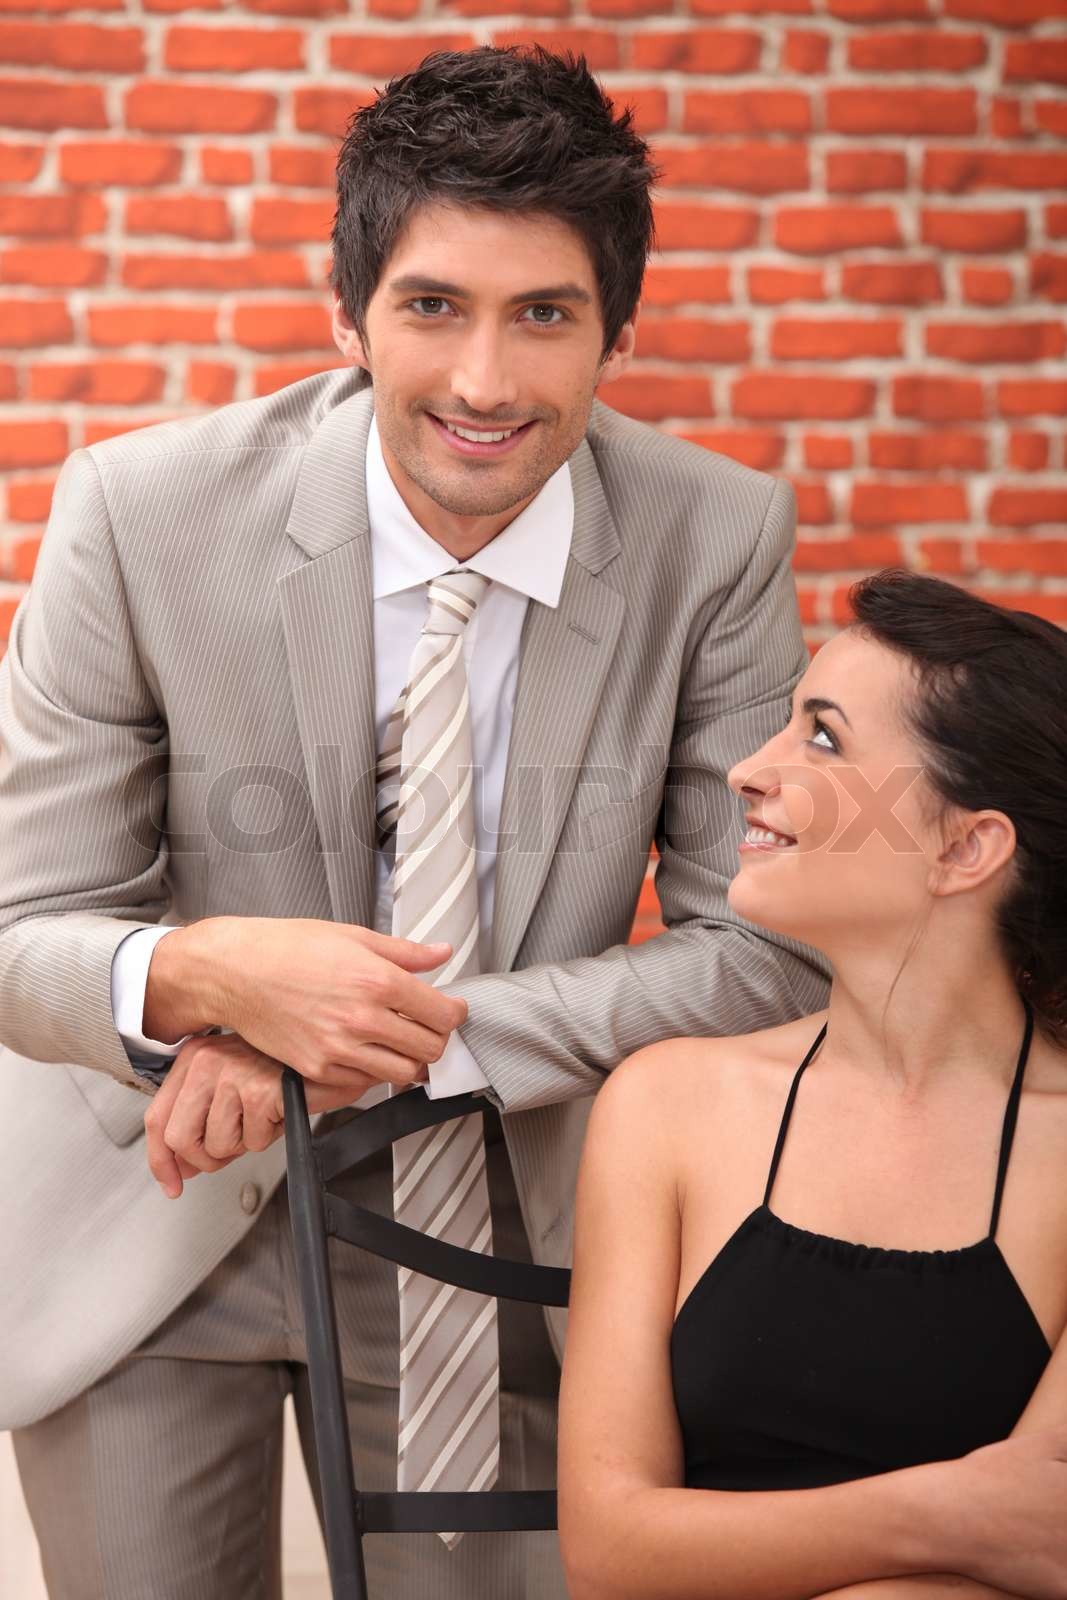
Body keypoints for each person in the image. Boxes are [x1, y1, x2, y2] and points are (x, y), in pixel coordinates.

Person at [0, 45, 834, 1600]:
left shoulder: (713, 539)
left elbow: (765, 952)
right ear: (347, 312)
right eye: (432, 307)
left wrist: (369, 1032)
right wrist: (206, 985)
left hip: (485, 1219)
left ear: (615, 332)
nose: (484, 384)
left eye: (544, 316)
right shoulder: (138, 512)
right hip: (154, 1208)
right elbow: (22, 926)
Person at [558, 568, 1067, 1600]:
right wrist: (943, 1511)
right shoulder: (665, 1105)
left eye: (820, 737)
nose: (747, 769)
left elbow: (1045, 1535)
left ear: (965, 847)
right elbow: (608, 1553)